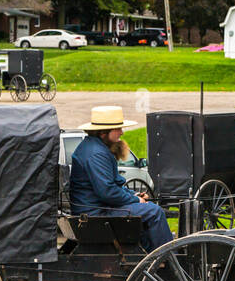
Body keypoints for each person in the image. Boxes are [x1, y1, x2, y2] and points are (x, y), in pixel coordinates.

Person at [69, 105, 174, 252]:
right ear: (103, 132)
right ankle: (168, 259)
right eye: (117, 129)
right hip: (96, 214)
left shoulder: (93, 148)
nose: (122, 132)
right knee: (154, 212)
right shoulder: (96, 154)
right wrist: (136, 200)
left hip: (96, 209)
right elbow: (107, 192)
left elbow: (111, 187)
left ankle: (147, 255)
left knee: (146, 210)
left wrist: (134, 195)